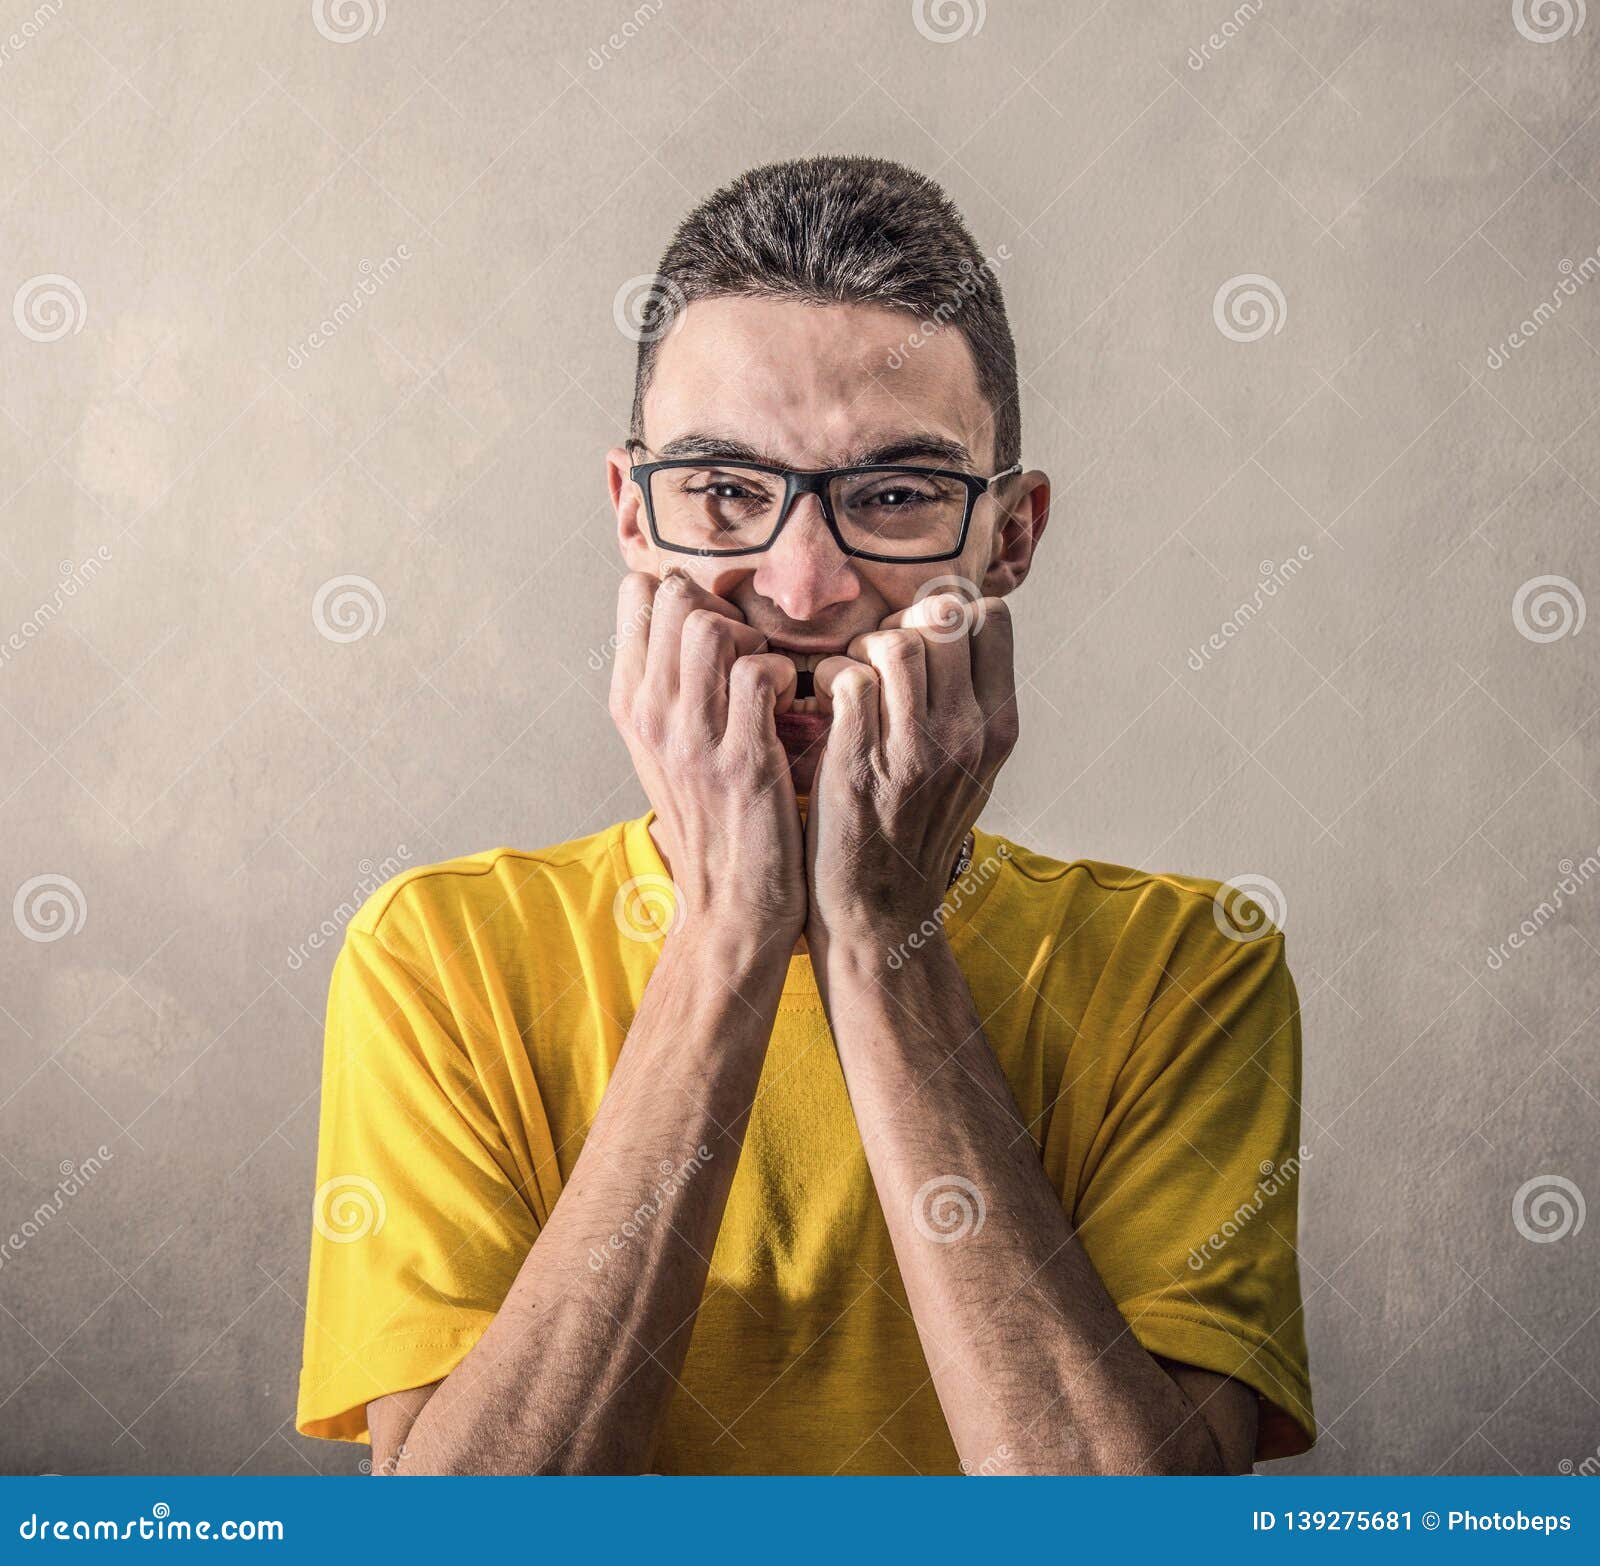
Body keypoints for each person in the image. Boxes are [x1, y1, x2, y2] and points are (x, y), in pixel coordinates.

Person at [295, 155, 1314, 1475]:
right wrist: (728, 932)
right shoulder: (440, 958)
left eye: (893, 496)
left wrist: (880, 938)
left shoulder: (1188, 970)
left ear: (1009, 538)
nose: (804, 586)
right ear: (633, 517)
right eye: (725, 490)